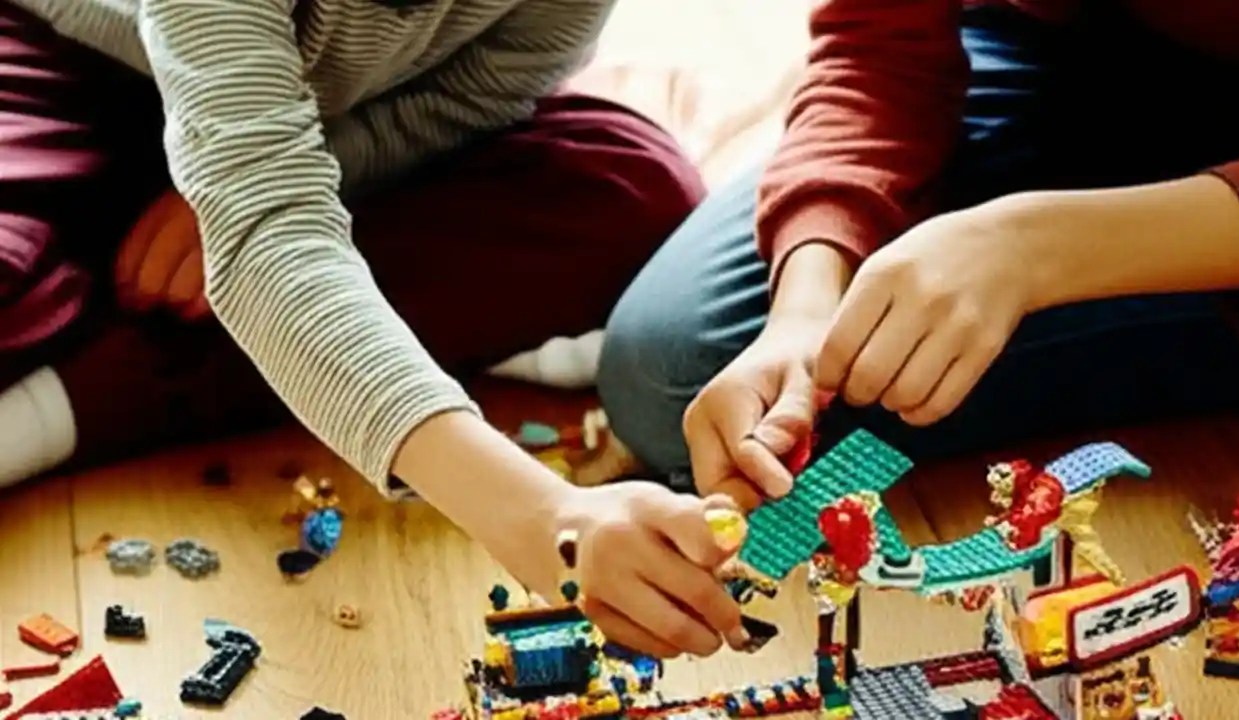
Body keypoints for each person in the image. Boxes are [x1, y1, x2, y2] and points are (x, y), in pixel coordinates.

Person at [0, 0, 750, 658]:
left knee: (633, 187)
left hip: (336, 131)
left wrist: (288, 177)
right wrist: (544, 516)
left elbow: (464, 103)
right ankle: (89, 360)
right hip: (67, 71)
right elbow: (265, 227)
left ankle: (69, 385)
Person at [599, 0, 1239, 510]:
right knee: (680, 366)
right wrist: (804, 311)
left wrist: (1035, 250)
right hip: (1048, 59)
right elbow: (880, 48)